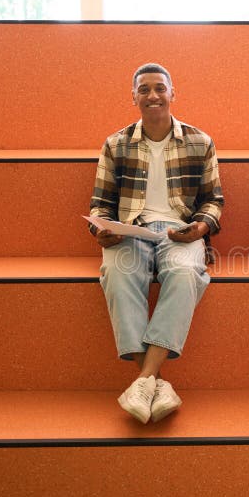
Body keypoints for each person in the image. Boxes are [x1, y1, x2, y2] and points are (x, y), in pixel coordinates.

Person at [89, 63, 223, 424]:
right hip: (131, 230)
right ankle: (156, 383)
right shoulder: (115, 144)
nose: (153, 95)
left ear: (172, 93)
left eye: (160, 88)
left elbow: (213, 200)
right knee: (117, 274)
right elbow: (100, 204)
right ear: (133, 97)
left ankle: (144, 381)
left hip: (179, 231)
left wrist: (200, 227)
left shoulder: (200, 142)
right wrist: (102, 230)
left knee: (184, 273)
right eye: (144, 89)